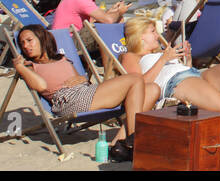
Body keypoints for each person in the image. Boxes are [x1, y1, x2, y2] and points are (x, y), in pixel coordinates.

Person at [12, 24, 152, 161]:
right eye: (22, 43)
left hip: (84, 92)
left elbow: (82, 81)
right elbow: (41, 86)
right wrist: (19, 67)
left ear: (42, 38)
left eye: (29, 40)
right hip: (68, 101)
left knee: (152, 89)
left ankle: (120, 143)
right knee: (135, 79)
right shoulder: (30, 66)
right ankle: (134, 138)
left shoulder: (62, 58)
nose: (25, 46)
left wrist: (80, 79)